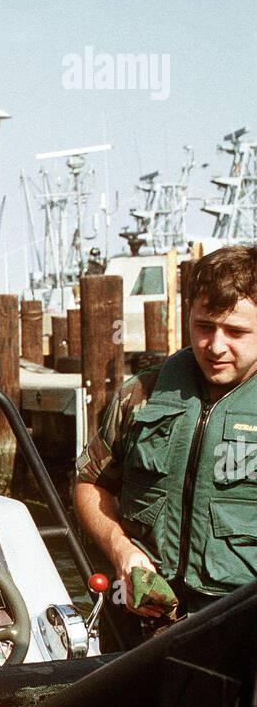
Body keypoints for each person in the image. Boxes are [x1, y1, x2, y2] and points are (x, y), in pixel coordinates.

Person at [74, 244, 257, 623]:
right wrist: (121, 551)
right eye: (203, 326)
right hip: (141, 616)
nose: (215, 346)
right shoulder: (143, 393)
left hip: (239, 626)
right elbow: (90, 482)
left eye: (235, 332)